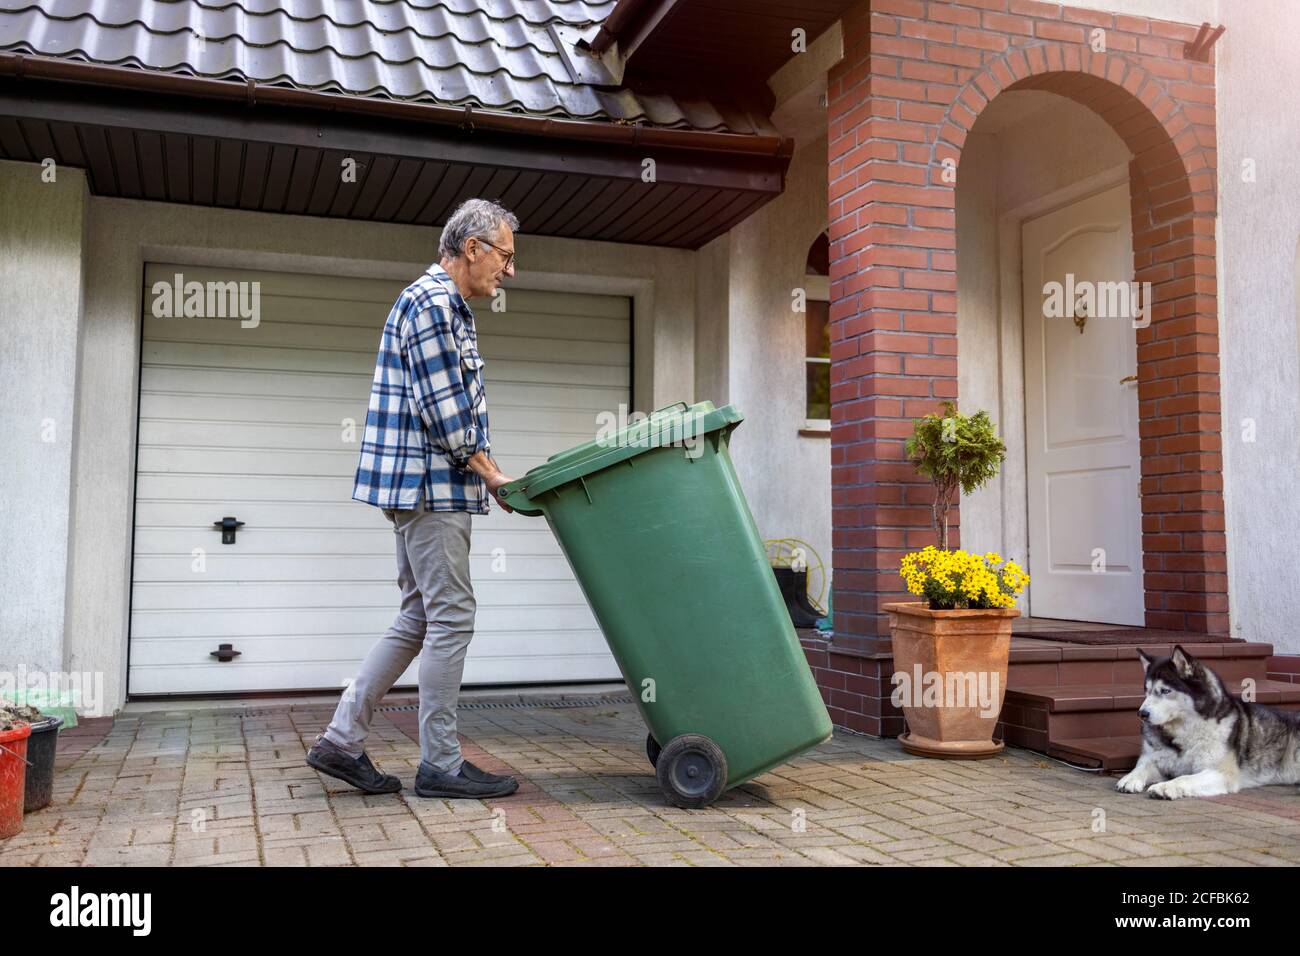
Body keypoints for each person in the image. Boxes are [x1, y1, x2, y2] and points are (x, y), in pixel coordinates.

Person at [306, 198, 521, 798]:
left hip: (428, 486)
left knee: (419, 616)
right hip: (432, 489)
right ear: (472, 247)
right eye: (505, 256)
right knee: (452, 618)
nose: (509, 271)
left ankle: (340, 740)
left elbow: (456, 415)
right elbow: (447, 419)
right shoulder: (431, 304)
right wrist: (491, 476)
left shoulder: (448, 308)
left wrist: (491, 474)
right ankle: (441, 764)